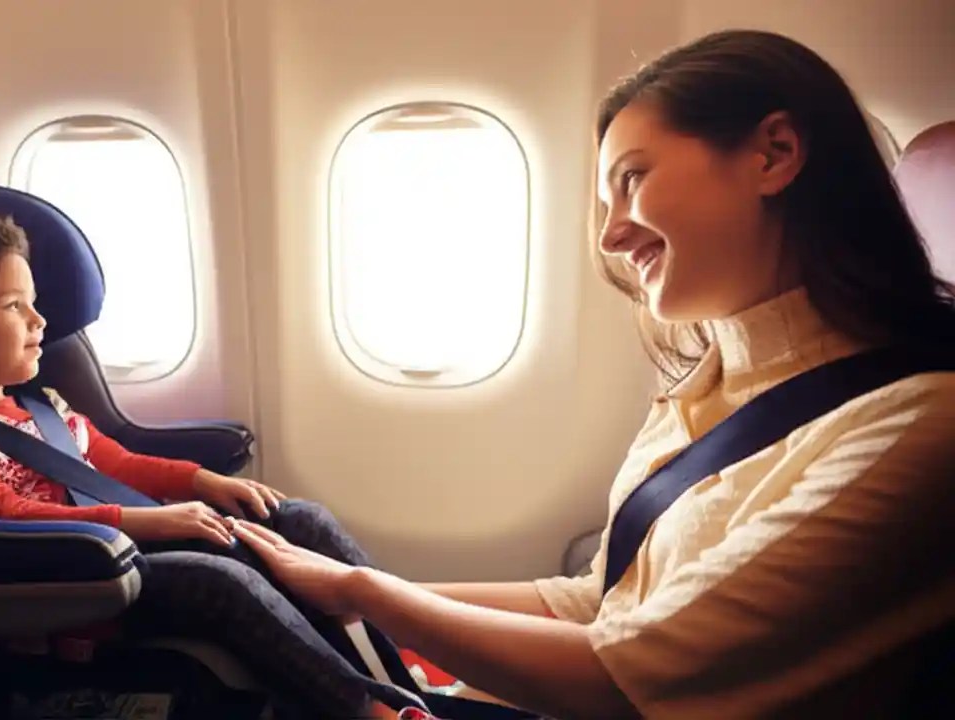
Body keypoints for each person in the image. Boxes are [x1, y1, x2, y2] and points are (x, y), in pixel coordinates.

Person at [233, 29, 955, 719]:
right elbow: (601, 598)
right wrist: (361, 596)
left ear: (775, 153)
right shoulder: (709, 386)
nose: (610, 233)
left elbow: (619, 675)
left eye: (633, 179)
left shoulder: (919, 423)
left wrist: (365, 592)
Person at [0, 205, 420, 719]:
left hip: (130, 545)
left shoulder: (44, 406)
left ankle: (412, 661)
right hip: (86, 581)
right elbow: (2, 514)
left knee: (299, 520)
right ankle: (370, 709)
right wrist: (149, 520)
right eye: (13, 305)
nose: (39, 320)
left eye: (34, 303)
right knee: (222, 580)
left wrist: (203, 481)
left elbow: (119, 463)